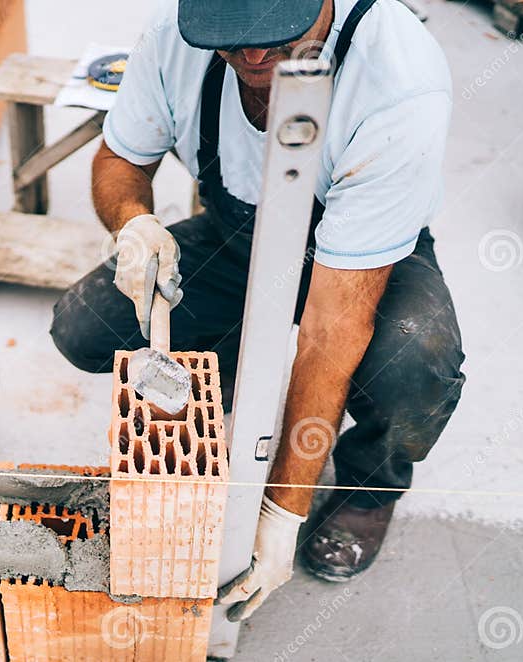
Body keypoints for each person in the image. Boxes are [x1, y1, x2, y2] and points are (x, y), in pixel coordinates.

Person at [50, 0, 466, 621]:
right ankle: (218, 412)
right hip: (237, 233)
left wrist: (281, 508)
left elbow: (333, 323)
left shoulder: (399, 80)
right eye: (228, 38)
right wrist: (133, 225)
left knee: (413, 362)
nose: (249, 56)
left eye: (273, 37)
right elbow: (120, 158)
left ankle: (370, 487)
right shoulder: (171, 39)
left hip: (365, 254)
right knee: (88, 325)